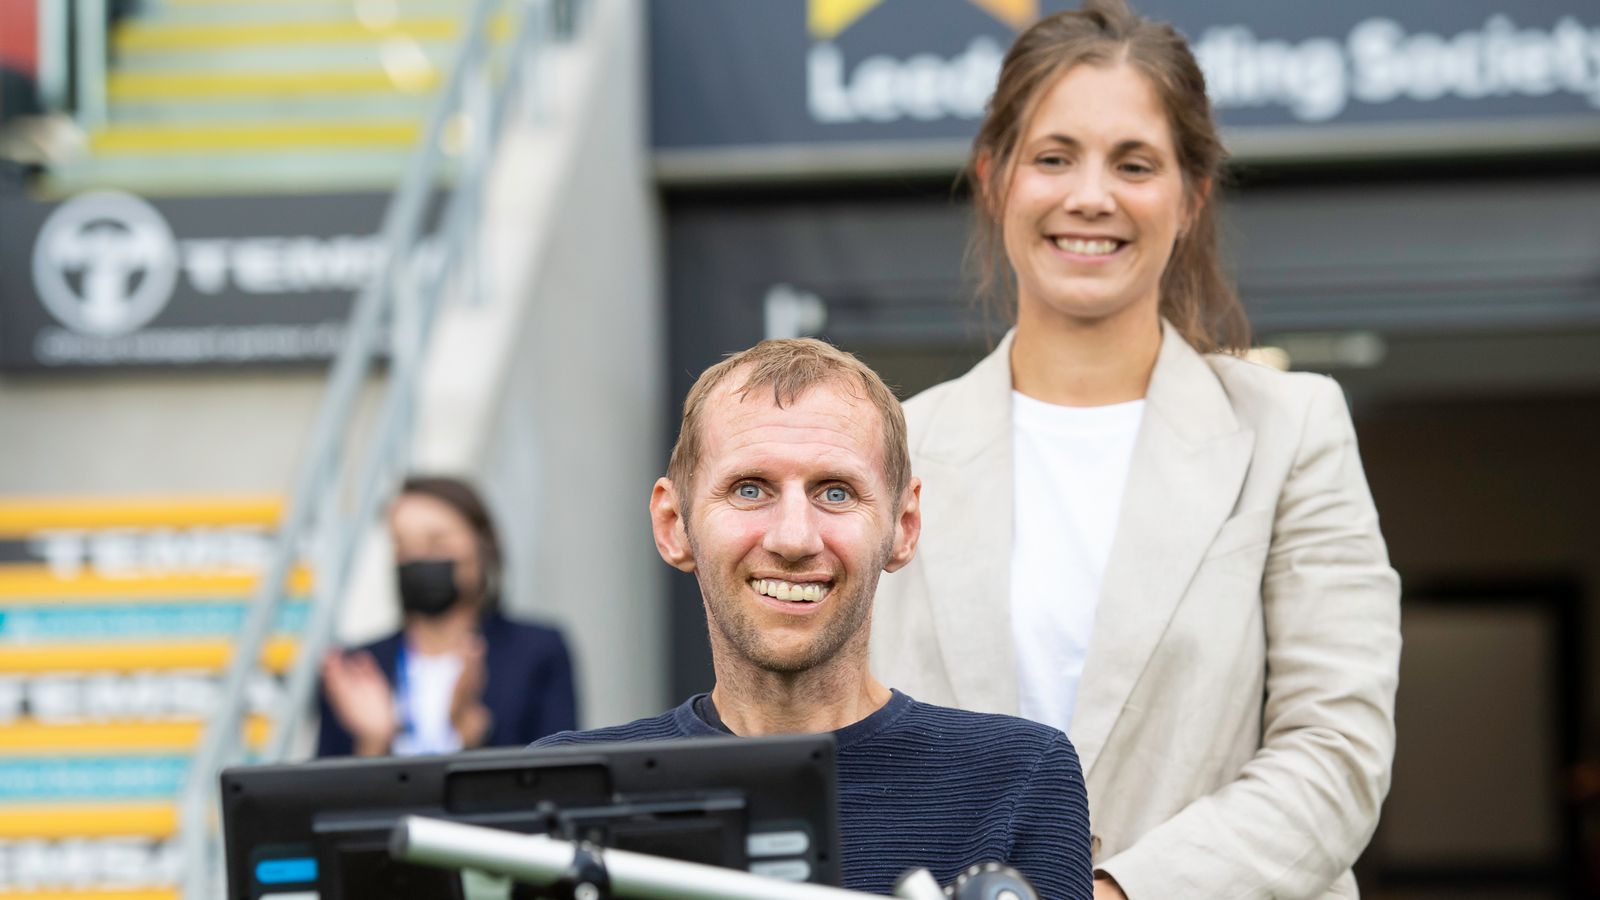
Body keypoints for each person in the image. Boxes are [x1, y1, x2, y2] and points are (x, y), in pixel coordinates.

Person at [869, 2, 1402, 898]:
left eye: (1134, 163)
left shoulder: (1294, 430)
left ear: (1191, 197)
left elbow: (1337, 752)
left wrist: (1114, 893)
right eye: (1053, 157)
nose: (1090, 195)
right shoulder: (895, 448)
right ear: (994, 179)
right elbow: (845, 745)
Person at [538, 339, 1093, 899]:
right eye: (750, 489)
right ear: (673, 524)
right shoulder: (560, 792)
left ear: (903, 526)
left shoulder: (1019, 776)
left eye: (835, 492)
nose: (794, 538)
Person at [317, 475, 577, 757]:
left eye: (437, 542)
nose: (418, 558)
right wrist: (373, 742)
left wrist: (471, 728)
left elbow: (559, 771)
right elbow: (327, 780)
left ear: (483, 544)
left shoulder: (536, 652)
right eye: (402, 545)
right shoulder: (359, 669)